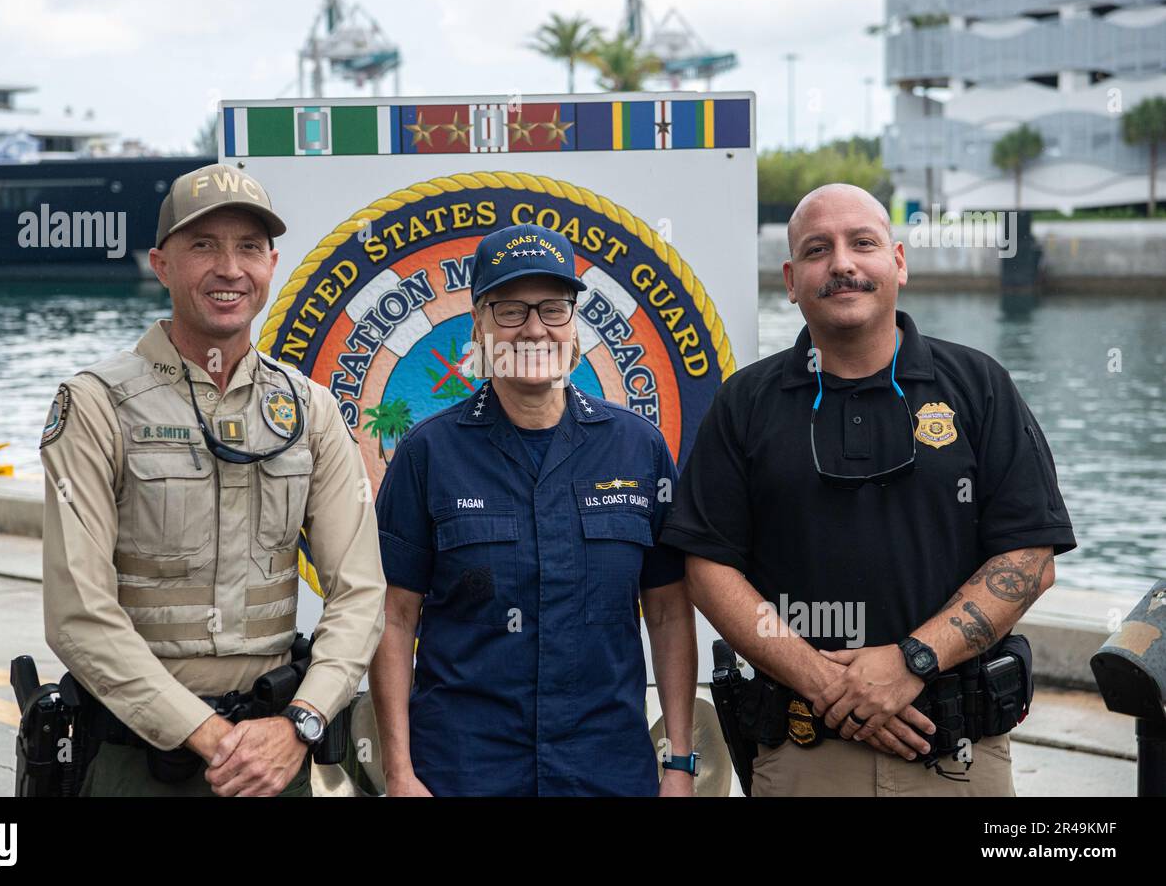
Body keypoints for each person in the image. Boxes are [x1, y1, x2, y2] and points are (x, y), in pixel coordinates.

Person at [661, 184, 1076, 796]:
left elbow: (1031, 559)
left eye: (863, 243)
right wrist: (832, 686)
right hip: (805, 752)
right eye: (817, 250)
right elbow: (706, 568)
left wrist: (911, 661)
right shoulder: (745, 403)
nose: (842, 264)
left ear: (899, 261)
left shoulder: (978, 385)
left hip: (955, 754)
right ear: (791, 278)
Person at [39, 163, 385, 796]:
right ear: (161, 264)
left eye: (248, 247)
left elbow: (361, 592)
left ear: (272, 263)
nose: (230, 268)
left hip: (278, 755)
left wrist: (301, 723)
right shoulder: (95, 405)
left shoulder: (310, 410)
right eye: (204, 245)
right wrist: (208, 735)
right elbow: (76, 613)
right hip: (137, 757)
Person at [369, 223, 698, 796]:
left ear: (574, 326)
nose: (534, 329)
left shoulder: (638, 447)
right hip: (462, 770)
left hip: (607, 770)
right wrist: (400, 773)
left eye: (553, 308)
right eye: (510, 310)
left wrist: (679, 763)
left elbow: (668, 612)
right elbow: (393, 619)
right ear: (478, 325)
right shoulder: (427, 454)